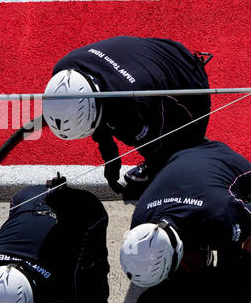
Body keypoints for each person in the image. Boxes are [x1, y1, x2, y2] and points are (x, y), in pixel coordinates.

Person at [42, 36, 213, 198]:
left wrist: (155, 168)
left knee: (183, 144)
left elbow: (151, 145)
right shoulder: (64, 69)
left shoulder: (130, 106)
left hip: (187, 78)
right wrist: (111, 159)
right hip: (148, 55)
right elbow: (98, 120)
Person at [119, 140, 251, 291]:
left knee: (232, 268)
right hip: (182, 159)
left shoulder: (220, 220)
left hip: (229, 165)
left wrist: (245, 261)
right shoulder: (139, 221)